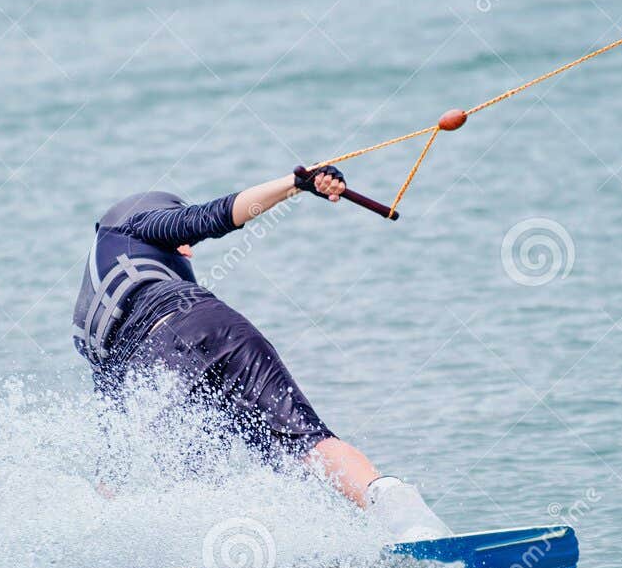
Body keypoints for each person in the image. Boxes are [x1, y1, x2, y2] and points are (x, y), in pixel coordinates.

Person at [72, 165, 452, 542]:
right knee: (304, 443)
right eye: (183, 246)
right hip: (211, 326)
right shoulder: (131, 227)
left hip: (157, 369)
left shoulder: (91, 318)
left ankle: (259, 554)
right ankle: (404, 516)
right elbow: (211, 217)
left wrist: (107, 521)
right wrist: (296, 183)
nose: (187, 252)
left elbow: (114, 432)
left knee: (197, 474)